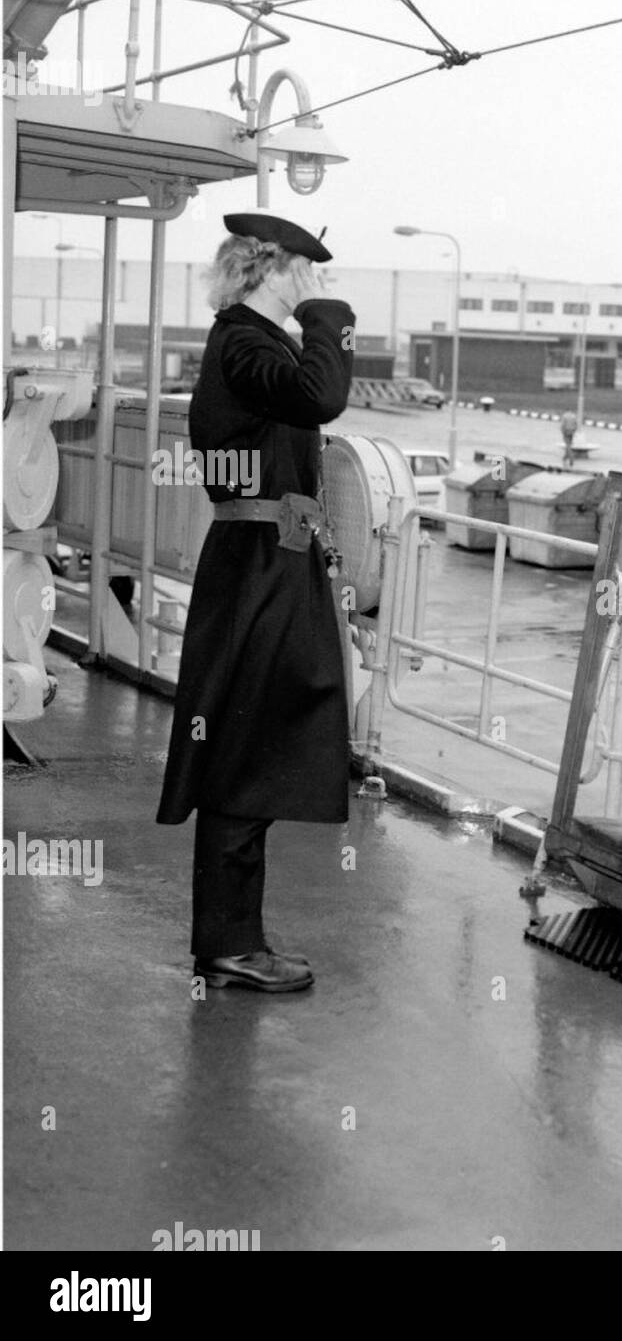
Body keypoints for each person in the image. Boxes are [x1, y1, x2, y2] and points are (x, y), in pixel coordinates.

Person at [156, 209, 356, 990]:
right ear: (272, 270)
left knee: (264, 731)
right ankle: (229, 944)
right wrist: (325, 317)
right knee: (245, 746)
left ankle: (234, 937)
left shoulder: (249, 341)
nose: (315, 283)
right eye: (306, 271)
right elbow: (321, 399)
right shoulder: (244, 340)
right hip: (259, 563)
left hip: (271, 556)